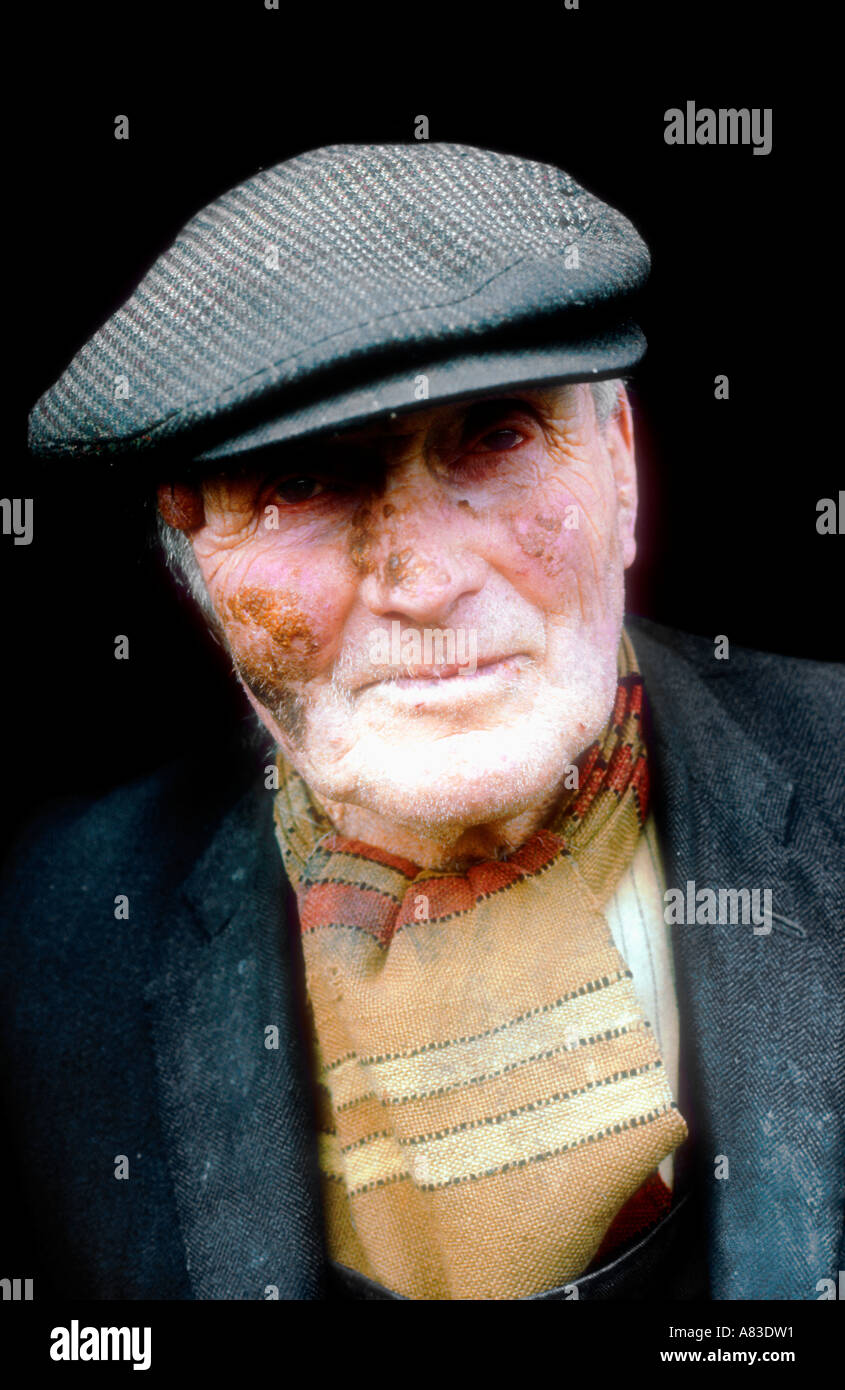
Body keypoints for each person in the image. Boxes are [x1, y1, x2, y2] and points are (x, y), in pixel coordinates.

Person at [3, 143, 842, 1301]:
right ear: (193, 557)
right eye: (300, 483)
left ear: (619, 466)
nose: (426, 576)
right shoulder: (51, 929)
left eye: (495, 436)